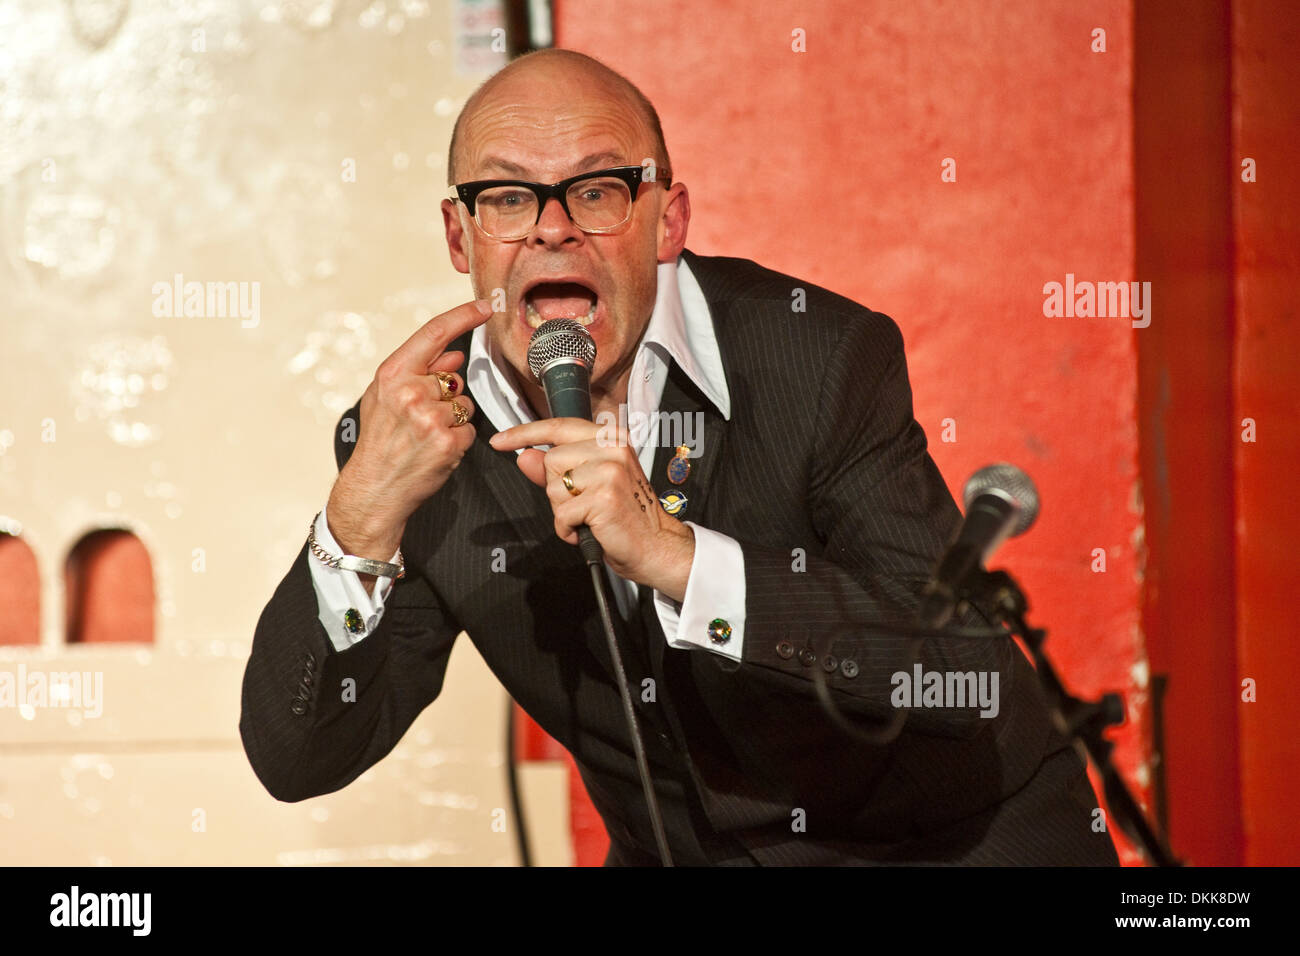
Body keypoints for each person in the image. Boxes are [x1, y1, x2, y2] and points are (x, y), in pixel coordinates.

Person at [239, 48, 1120, 866]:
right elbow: (301, 757)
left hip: (944, 848)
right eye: (507, 198)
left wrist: (676, 558)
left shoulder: (819, 359)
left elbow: (956, 672)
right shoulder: (420, 443)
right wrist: (356, 520)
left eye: (597, 190)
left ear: (667, 219)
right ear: (460, 237)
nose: (551, 230)